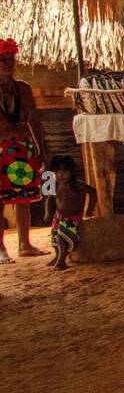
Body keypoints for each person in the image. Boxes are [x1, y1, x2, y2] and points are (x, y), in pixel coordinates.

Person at [0, 37, 47, 263]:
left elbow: (33, 121)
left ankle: (24, 244)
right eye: (3, 60)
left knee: (23, 200)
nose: (8, 63)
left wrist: (41, 150)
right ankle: (0, 249)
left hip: (22, 151)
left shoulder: (23, 89)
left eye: (11, 59)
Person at [44, 154, 96, 271]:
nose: (60, 175)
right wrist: (48, 212)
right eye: (57, 172)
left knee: (64, 240)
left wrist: (90, 209)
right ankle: (57, 256)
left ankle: (61, 261)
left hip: (72, 218)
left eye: (64, 171)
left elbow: (92, 192)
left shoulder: (76, 184)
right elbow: (50, 199)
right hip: (57, 217)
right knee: (54, 238)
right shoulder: (55, 185)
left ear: (72, 172)